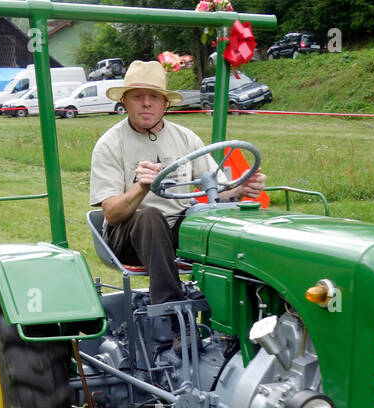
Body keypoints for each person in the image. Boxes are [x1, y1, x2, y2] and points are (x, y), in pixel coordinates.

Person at [89, 60, 265, 305]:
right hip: (128, 236)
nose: (147, 102)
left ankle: (233, 309)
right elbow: (112, 213)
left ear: (165, 104)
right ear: (124, 102)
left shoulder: (185, 138)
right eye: (138, 96)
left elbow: (217, 191)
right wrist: (140, 187)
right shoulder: (110, 145)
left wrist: (240, 189)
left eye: (154, 97)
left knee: (216, 225)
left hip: (177, 230)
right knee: (150, 216)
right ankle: (169, 310)